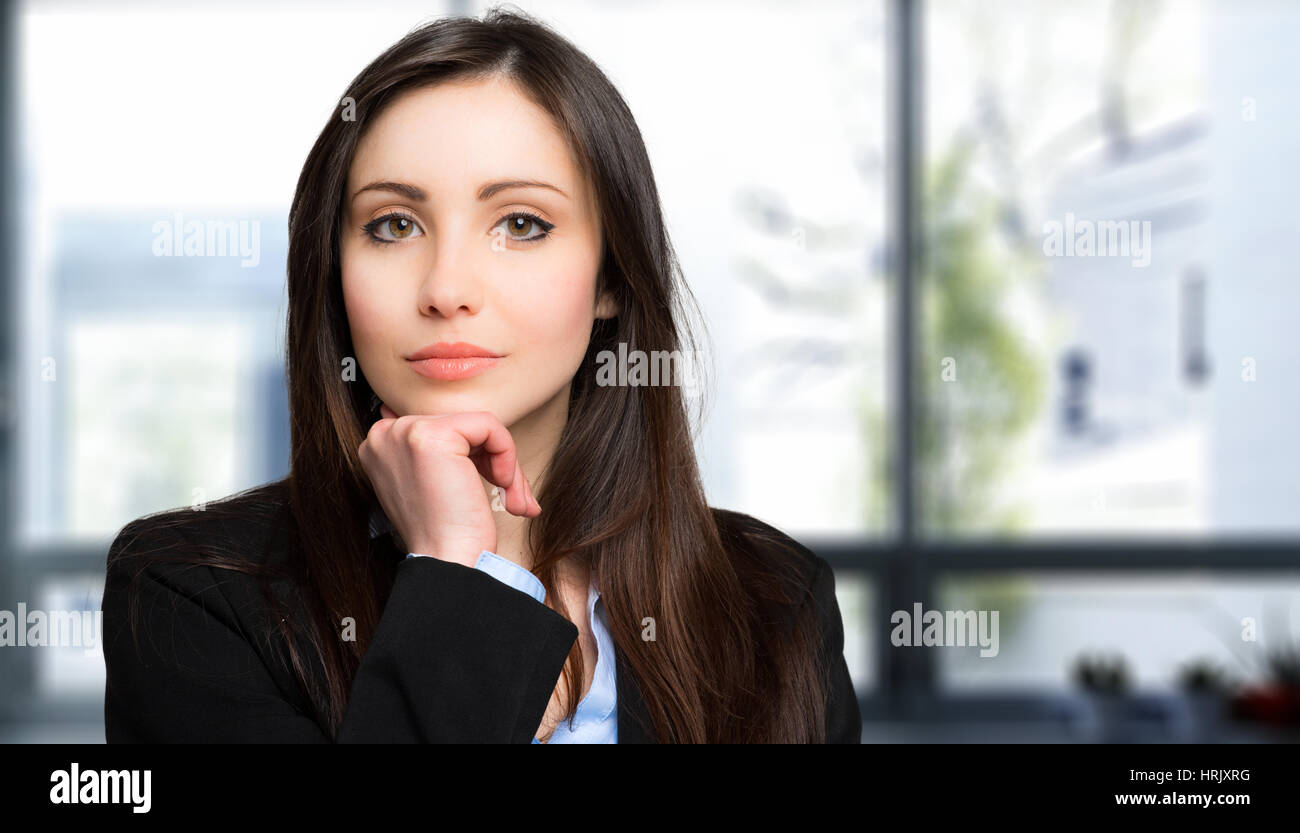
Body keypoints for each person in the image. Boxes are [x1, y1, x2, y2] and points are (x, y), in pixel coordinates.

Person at [102, 8, 861, 744]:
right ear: (334, 273)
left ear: (611, 280)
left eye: (521, 224)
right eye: (393, 224)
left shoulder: (773, 600)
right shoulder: (189, 593)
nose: (446, 286)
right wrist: (452, 579)